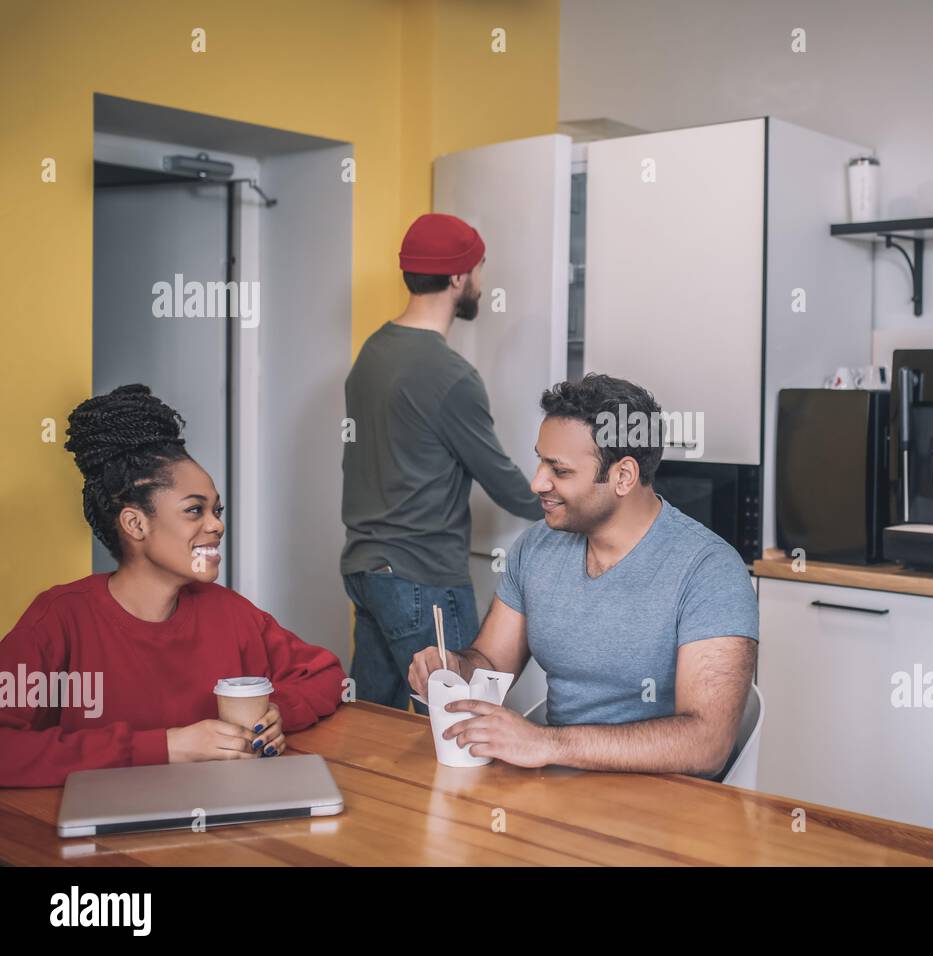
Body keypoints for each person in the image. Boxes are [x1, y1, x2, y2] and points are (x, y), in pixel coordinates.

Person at [408, 374, 759, 778]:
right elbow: (489, 662)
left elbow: (706, 744)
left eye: (559, 470)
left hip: (666, 808)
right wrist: (452, 666)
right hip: (559, 789)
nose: (538, 482)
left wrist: (547, 743)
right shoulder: (535, 549)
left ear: (623, 477)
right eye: (541, 460)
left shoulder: (709, 571)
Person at [0, 384, 345, 788]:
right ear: (135, 524)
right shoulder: (58, 619)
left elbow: (328, 676)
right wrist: (166, 747)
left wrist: (277, 710)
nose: (216, 525)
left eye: (216, 509)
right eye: (194, 510)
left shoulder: (229, 612)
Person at [341, 213, 542, 714]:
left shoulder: (372, 352)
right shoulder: (450, 376)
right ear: (458, 278)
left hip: (368, 570)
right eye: (478, 269)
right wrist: (570, 501)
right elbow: (506, 483)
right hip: (421, 577)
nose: (481, 281)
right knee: (459, 727)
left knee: (375, 726)